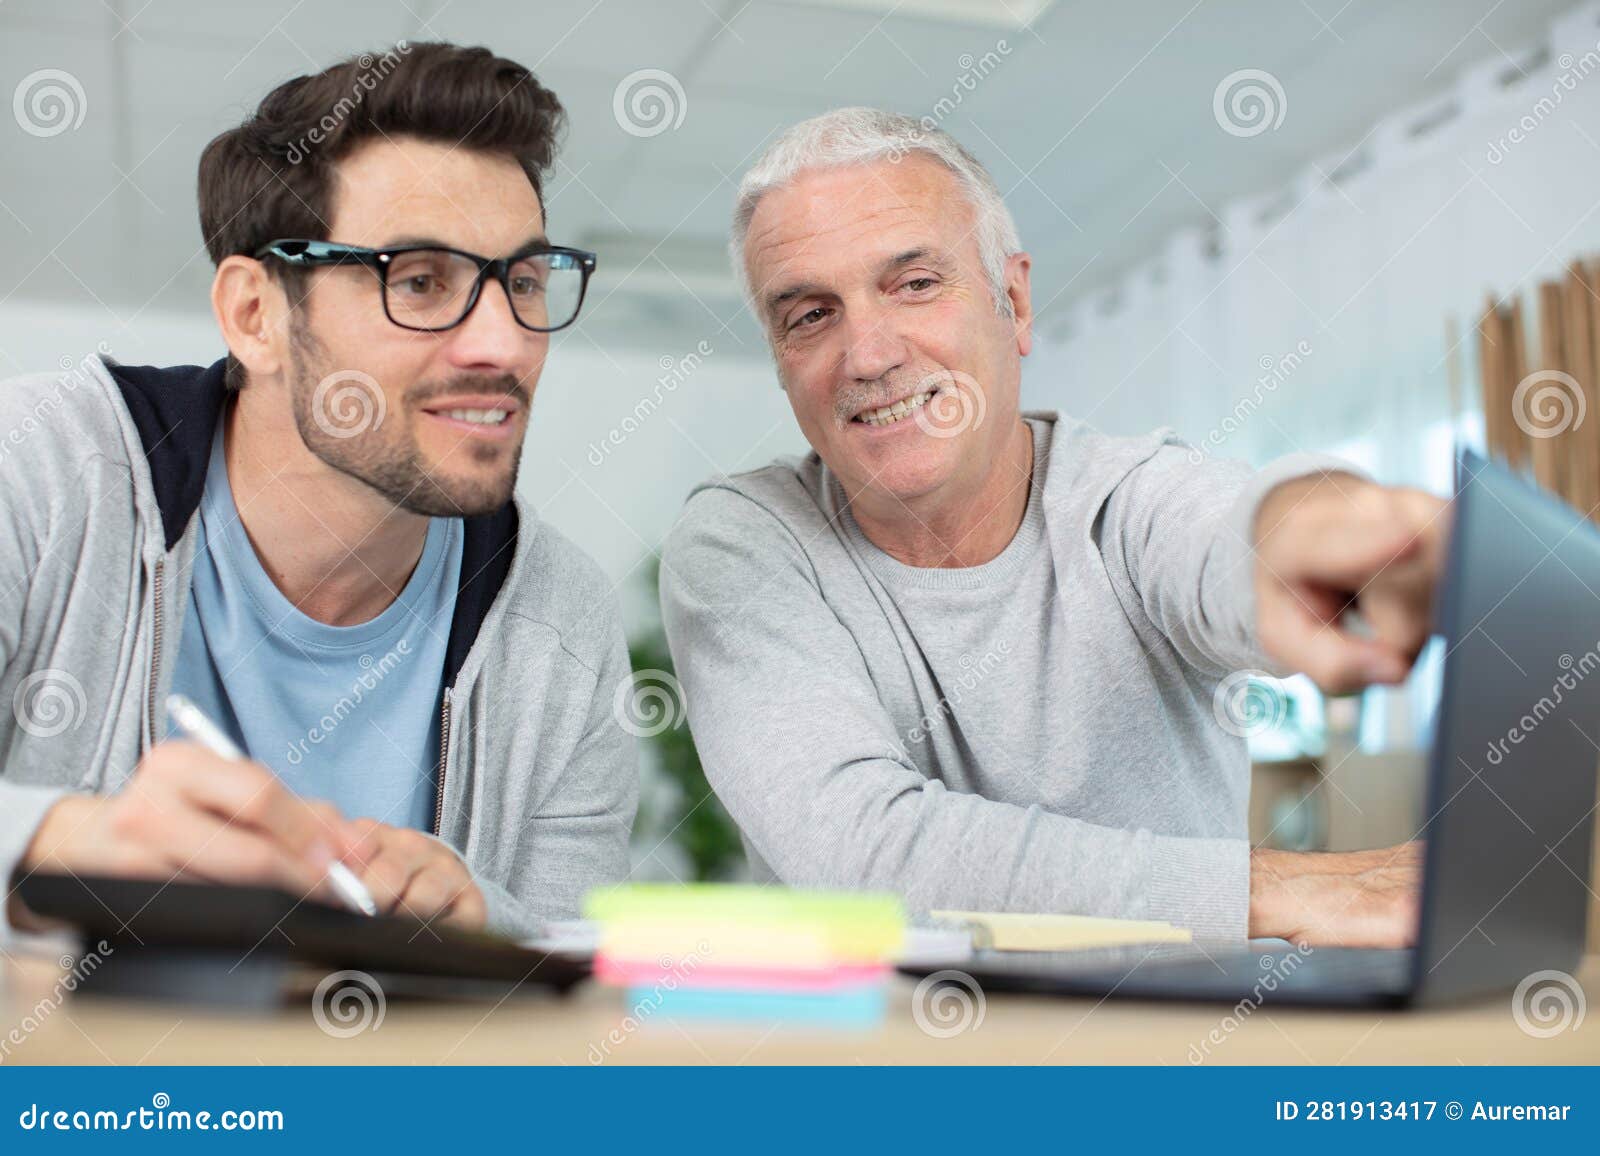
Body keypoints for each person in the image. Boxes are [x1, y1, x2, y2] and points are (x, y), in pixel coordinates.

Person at [660, 108, 1444, 944]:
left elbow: (1233, 535)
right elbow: (861, 853)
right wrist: (1276, 890)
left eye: (915, 283)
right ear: (780, 360)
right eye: (811, 316)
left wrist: (1317, 531)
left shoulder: (1125, 504)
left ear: (1015, 301)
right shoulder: (745, 541)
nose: (869, 355)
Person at [1, 43, 637, 940]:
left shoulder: (560, 620)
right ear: (255, 315)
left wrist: (480, 919)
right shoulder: (38, 470)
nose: (503, 344)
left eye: (524, 283)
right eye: (420, 281)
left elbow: (572, 966)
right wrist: (60, 846)